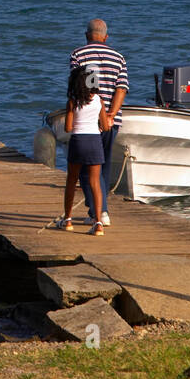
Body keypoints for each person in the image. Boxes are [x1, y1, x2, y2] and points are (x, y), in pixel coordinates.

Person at [70, 18, 128, 228]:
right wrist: (111, 114)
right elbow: (121, 88)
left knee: (87, 169)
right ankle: (100, 212)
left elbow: (80, 86)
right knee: (102, 167)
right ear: (106, 37)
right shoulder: (119, 57)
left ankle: (98, 212)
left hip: (88, 120)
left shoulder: (78, 54)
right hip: (111, 121)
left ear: (87, 35)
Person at [53, 65, 112, 236]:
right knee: (95, 184)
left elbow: (68, 127)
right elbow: (106, 126)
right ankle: (98, 223)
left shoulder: (72, 102)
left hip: (78, 141)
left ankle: (68, 220)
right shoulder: (99, 100)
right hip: (94, 141)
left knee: (71, 181)